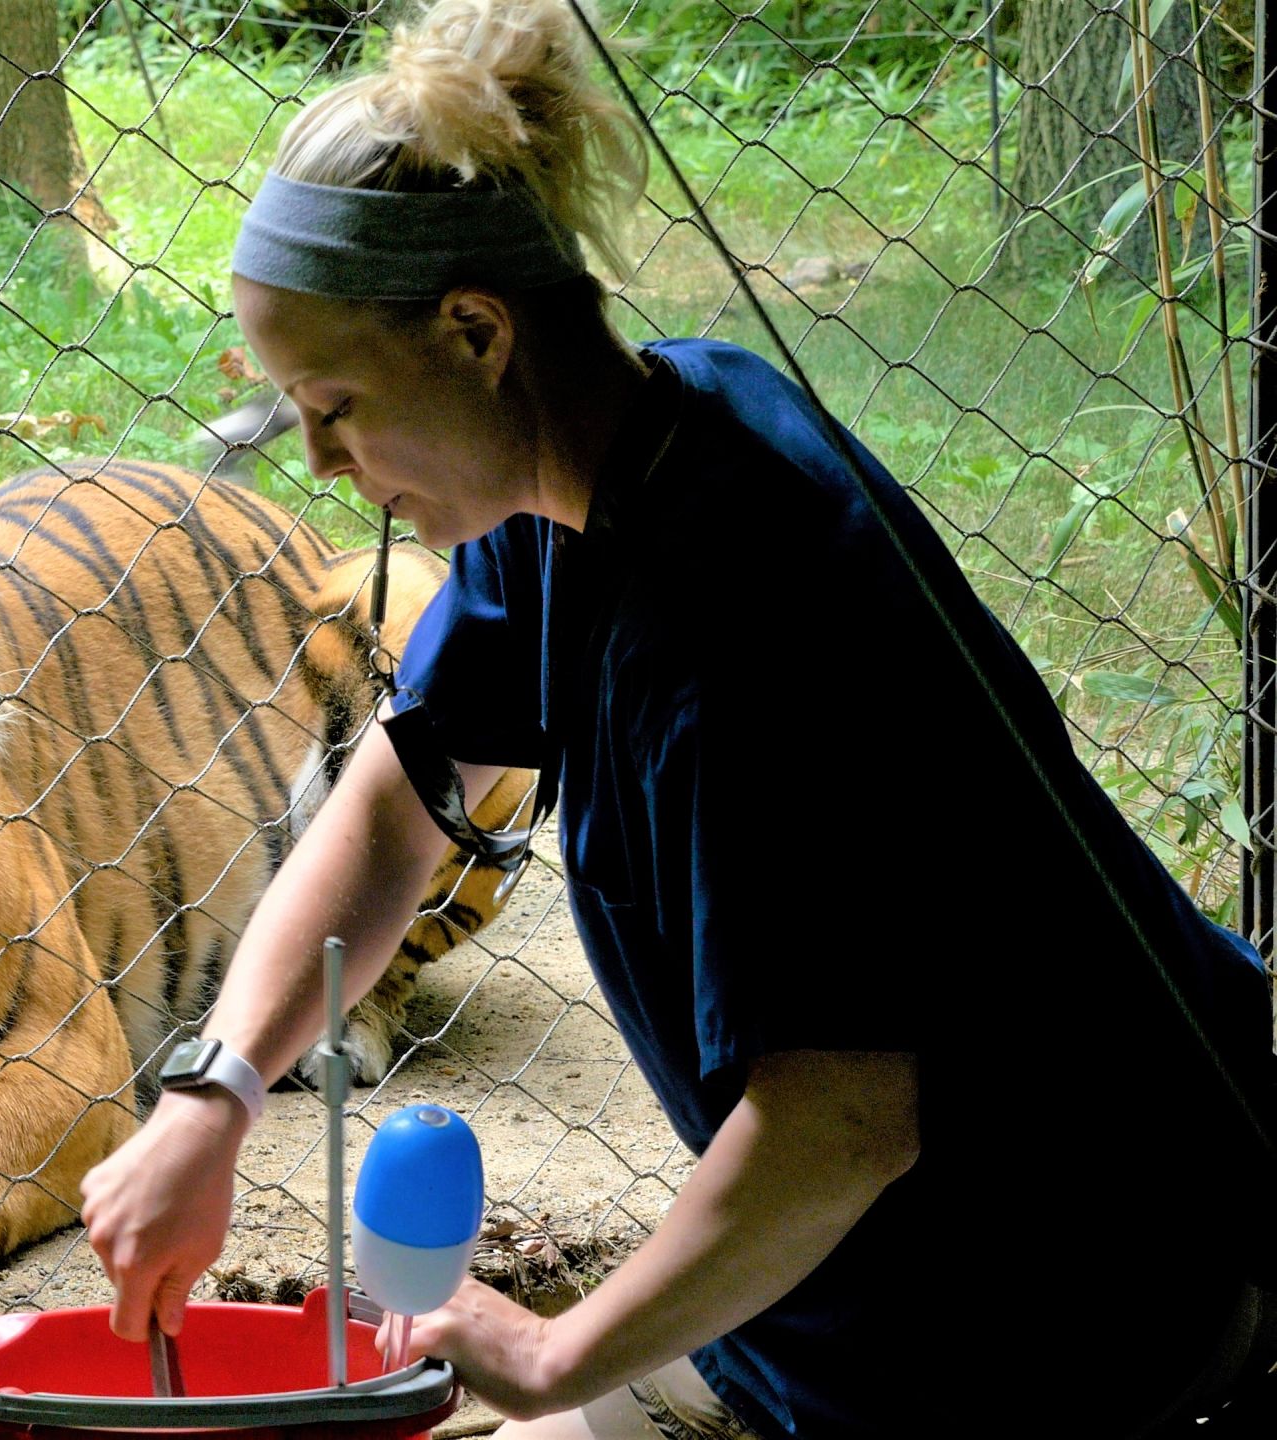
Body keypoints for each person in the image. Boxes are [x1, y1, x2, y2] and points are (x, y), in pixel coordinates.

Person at [75, 2, 1277, 1436]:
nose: (320, 461)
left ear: (473, 333)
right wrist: (213, 1099)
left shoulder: (743, 628)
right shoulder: (612, 454)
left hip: (1071, 1321)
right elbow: (400, 804)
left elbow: (839, 1126)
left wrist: (557, 1355)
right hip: (849, 1305)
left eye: (330, 405)